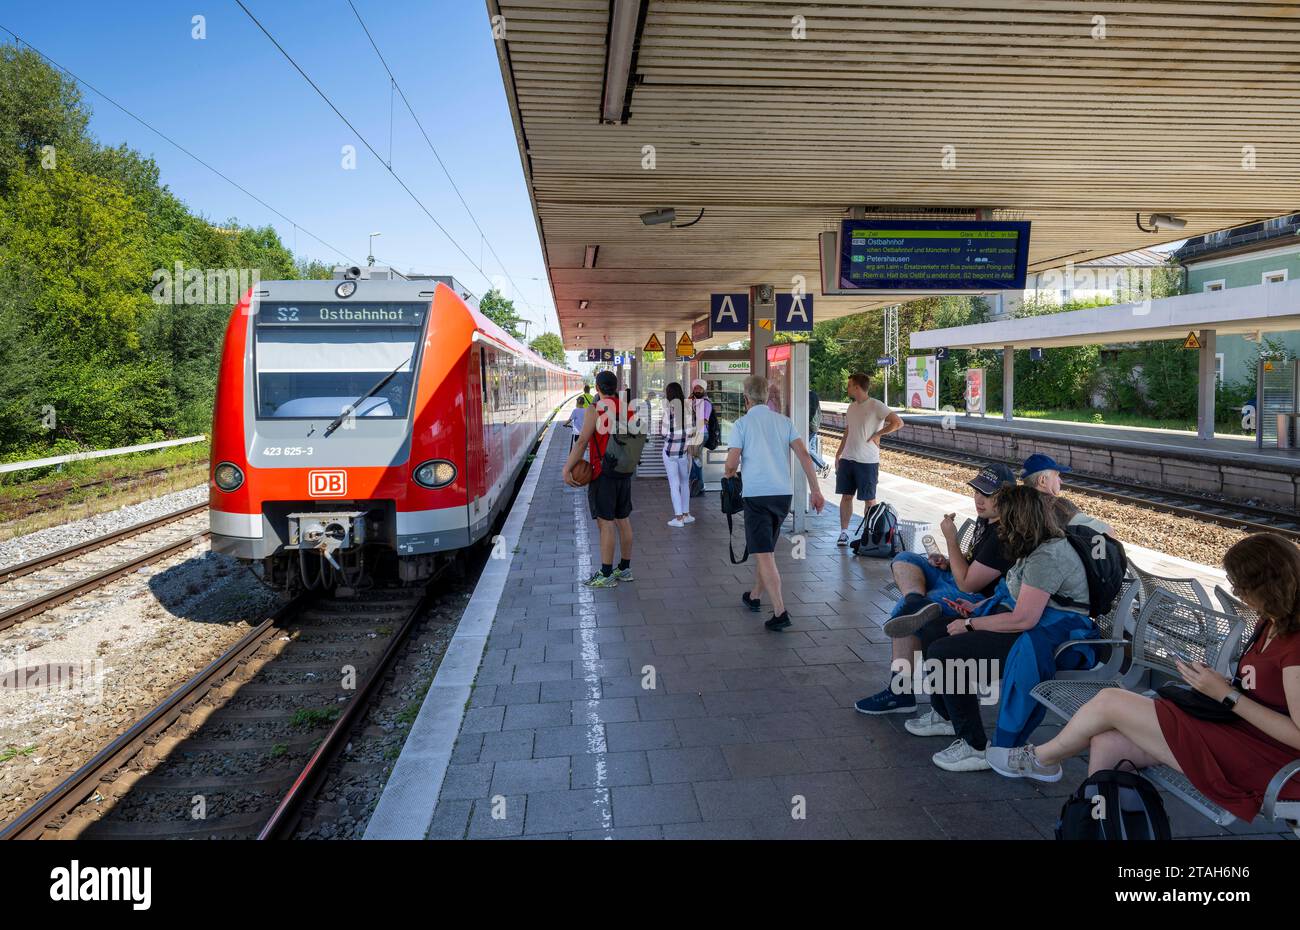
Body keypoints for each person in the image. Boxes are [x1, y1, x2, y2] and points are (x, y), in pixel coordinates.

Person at [988, 532, 1300, 822]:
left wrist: (1227, 696)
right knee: (1108, 742)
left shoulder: (1296, 644)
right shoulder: (1271, 622)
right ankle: (1095, 826)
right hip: (1235, 731)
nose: (1238, 595)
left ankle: (1040, 759)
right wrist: (1217, 684)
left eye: (1241, 588)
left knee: (1112, 701)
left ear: (1267, 587)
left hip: (1266, 760)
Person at [905, 486, 1097, 773]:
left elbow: (1024, 620)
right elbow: (1018, 600)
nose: (997, 525)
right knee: (933, 629)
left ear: (1018, 520)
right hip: (1030, 625)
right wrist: (977, 609)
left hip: (1048, 640)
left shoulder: (1047, 557)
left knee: (946, 651)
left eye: (1002, 518)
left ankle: (974, 747)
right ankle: (945, 716)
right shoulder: (1032, 544)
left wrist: (971, 624)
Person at [854, 462, 1017, 716]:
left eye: (987, 494)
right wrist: (948, 562)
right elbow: (971, 565)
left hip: (976, 600)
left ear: (1006, 497)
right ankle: (914, 600)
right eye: (976, 491)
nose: (978, 499)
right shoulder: (985, 521)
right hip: (959, 580)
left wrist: (951, 539)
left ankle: (900, 692)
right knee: (905, 559)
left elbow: (968, 584)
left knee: (904, 619)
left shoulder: (1004, 534)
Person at [724, 374, 826, 631]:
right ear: (767, 397)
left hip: (757, 496)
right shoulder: (784, 422)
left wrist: (729, 475)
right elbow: (804, 454)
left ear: (746, 399)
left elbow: (731, 463)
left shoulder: (742, 424)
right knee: (764, 548)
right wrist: (816, 491)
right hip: (782, 495)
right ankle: (755, 595)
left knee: (765, 554)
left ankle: (780, 610)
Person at [563, 370, 634, 588]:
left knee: (606, 523)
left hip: (603, 474)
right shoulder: (629, 409)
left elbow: (582, 441)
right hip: (624, 471)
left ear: (597, 387)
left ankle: (605, 573)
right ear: (617, 387)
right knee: (623, 520)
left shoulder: (595, 409)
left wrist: (567, 469)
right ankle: (624, 569)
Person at [834, 373, 902, 547]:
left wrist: (878, 434)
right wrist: (838, 453)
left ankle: (869, 534)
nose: (847, 388)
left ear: (857, 387)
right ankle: (843, 533)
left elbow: (897, 422)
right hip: (848, 458)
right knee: (846, 496)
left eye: (849, 385)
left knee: (869, 499)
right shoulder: (851, 407)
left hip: (867, 461)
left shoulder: (875, 405)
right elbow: (848, 431)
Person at [661, 381, 694, 527]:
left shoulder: (668, 411)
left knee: (674, 484)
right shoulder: (688, 409)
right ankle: (686, 514)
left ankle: (679, 518)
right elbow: (692, 431)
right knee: (684, 482)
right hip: (683, 452)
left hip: (669, 451)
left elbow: (664, 433)